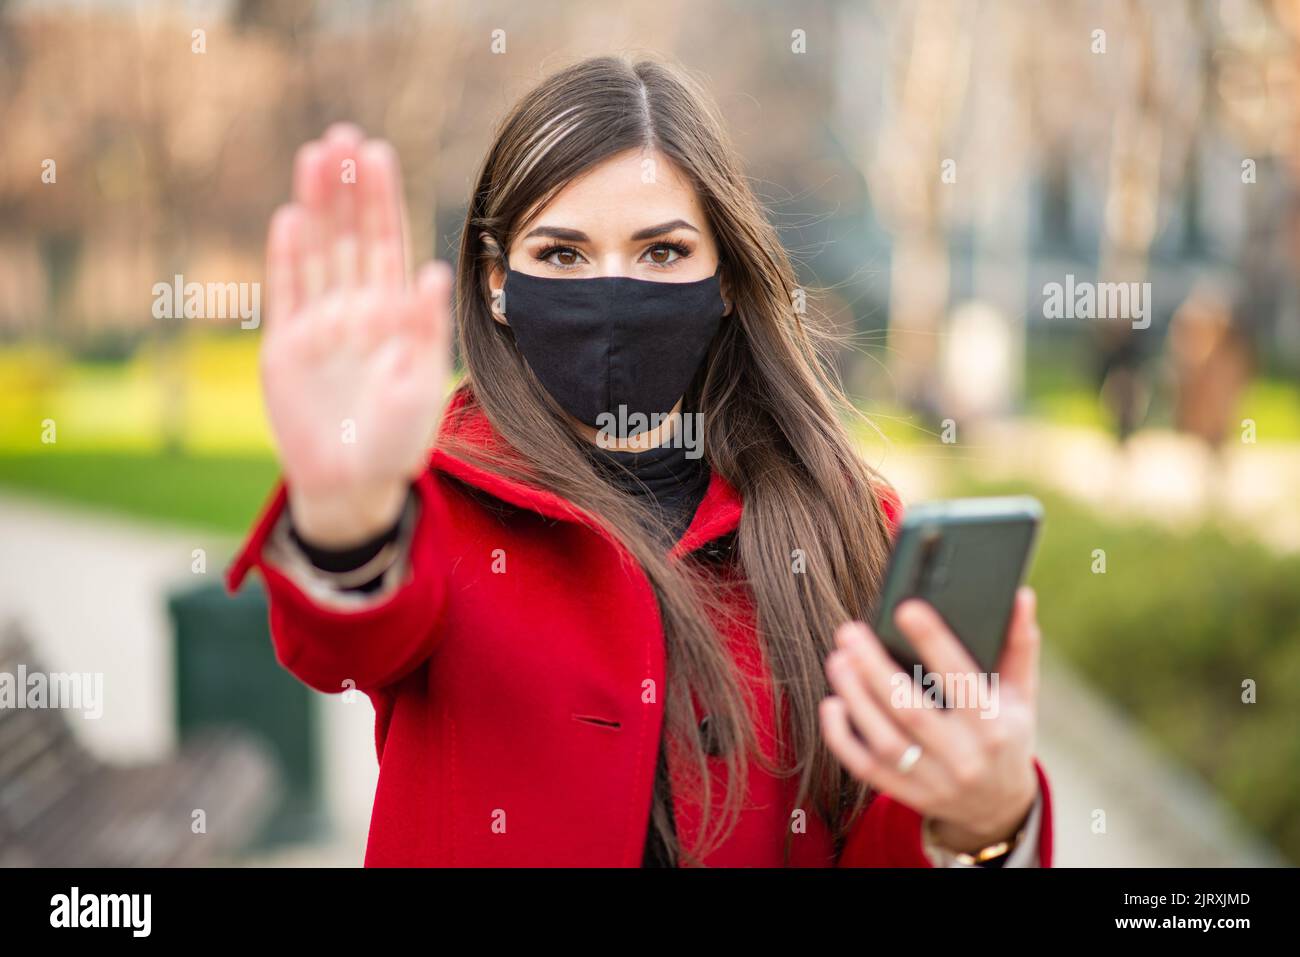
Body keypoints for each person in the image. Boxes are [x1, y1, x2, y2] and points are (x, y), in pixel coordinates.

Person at [228, 55, 1051, 867]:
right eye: (561, 255)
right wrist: (345, 524)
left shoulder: (847, 528)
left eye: (661, 253)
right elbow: (338, 650)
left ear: (724, 277)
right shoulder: (427, 510)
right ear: (495, 285)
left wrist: (981, 824)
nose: (613, 291)